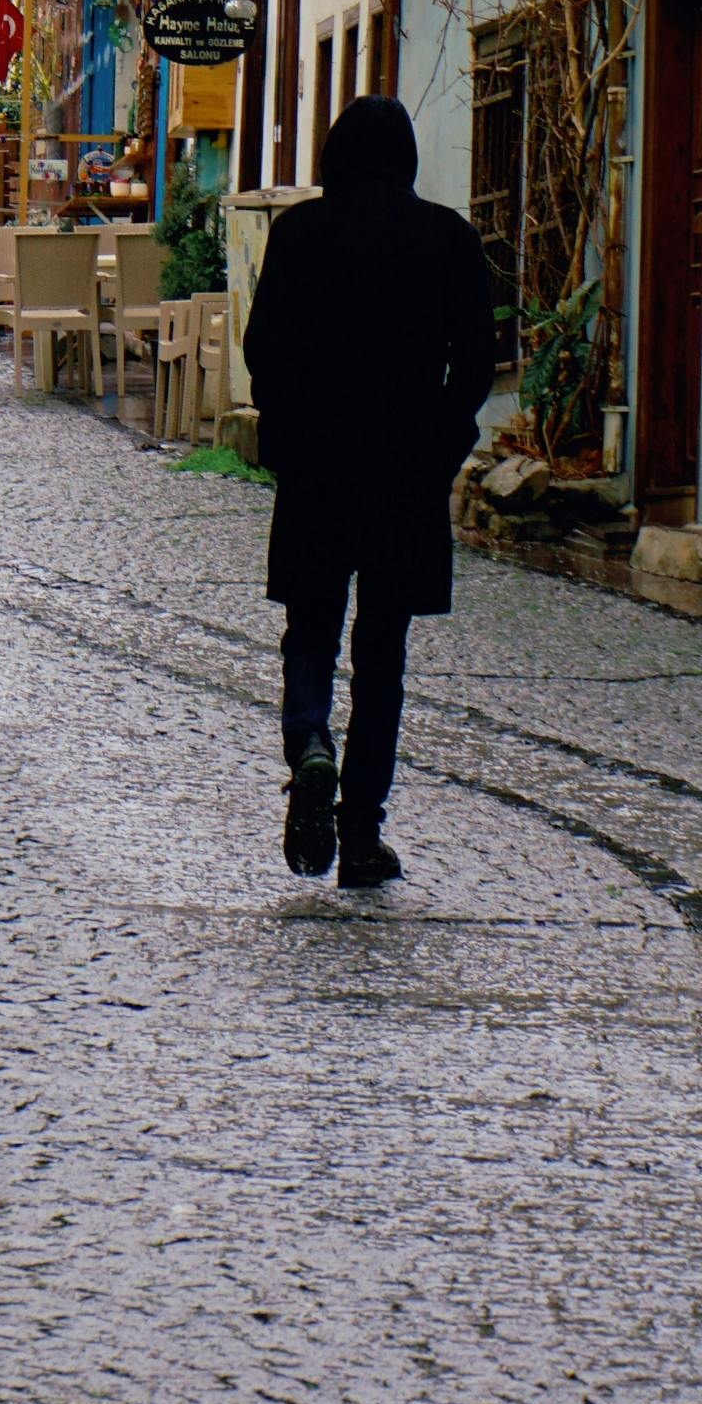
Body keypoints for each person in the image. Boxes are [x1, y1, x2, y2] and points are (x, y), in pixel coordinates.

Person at [241, 92, 496, 887]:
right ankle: (360, 833)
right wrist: (445, 440)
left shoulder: (300, 233)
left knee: (310, 630)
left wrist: (284, 431)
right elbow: (479, 362)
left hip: (317, 470)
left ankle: (310, 741)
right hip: (404, 479)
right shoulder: (448, 238)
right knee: (382, 653)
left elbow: (263, 351)